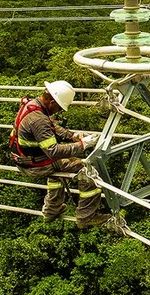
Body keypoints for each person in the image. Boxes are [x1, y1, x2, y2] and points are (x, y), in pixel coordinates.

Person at [9, 80, 111, 228]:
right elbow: (54, 151)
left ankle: (52, 209)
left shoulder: (33, 106)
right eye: (59, 108)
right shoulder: (38, 119)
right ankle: (86, 216)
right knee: (87, 170)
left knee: (60, 168)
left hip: (26, 160)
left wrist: (73, 136)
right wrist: (82, 145)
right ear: (52, 102)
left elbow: (51, 127)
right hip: (35, 165)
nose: (58, 111)